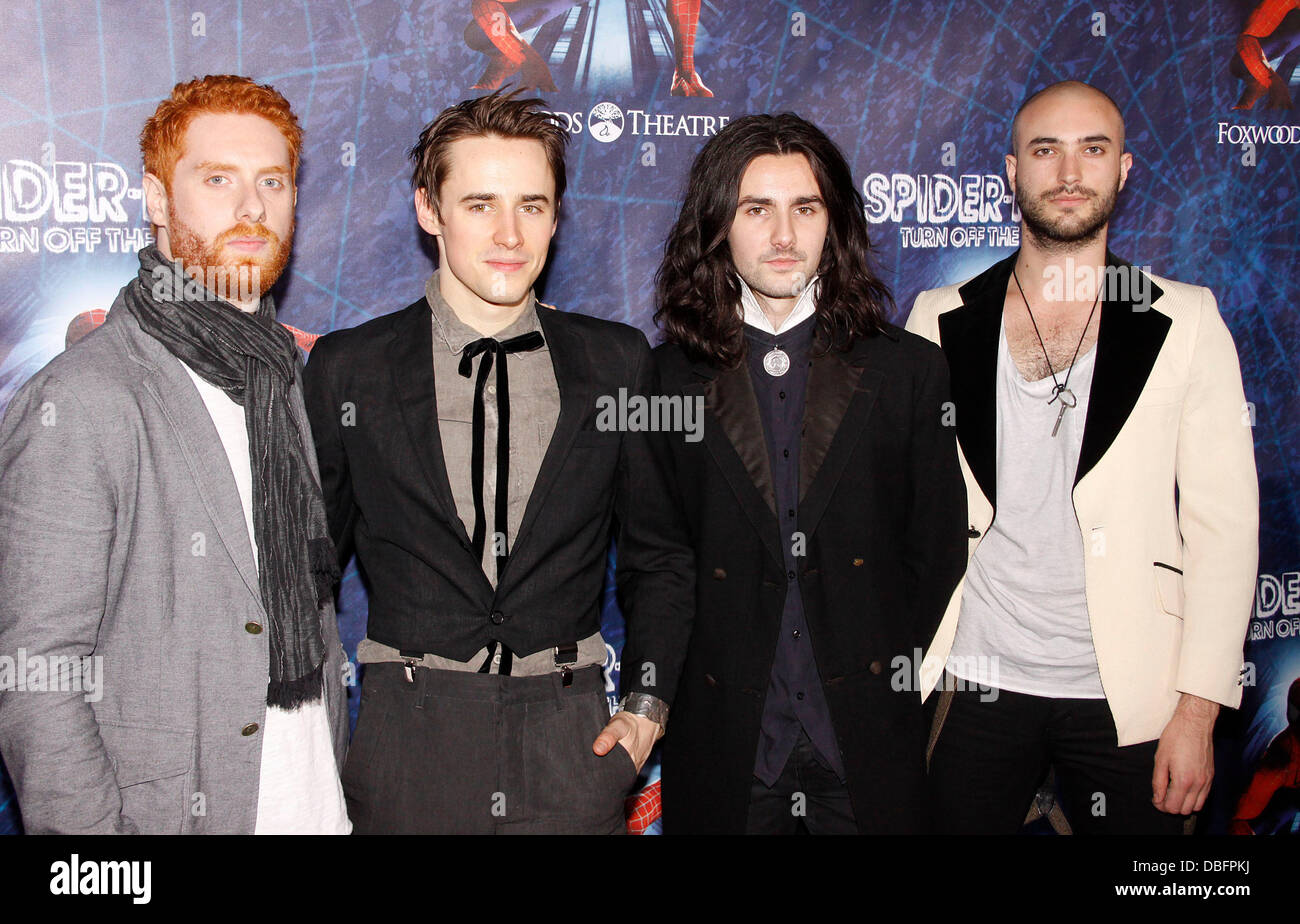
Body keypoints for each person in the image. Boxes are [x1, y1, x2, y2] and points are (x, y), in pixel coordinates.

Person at [302, 90, 693, 834]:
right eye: (480, 205)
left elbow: (661, 557)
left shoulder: (616, 361)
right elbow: (305, 569)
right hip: (407, 743)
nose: (509, 234)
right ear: (430, 209)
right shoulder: (350, 368)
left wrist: (645, 709)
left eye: (533, 205)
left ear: (555, 214)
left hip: (572, 743)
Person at [0, 75, 350, 834]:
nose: (252, 208)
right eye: (217, 179)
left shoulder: (286, 380)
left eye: (272, 181)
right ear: (158, 201)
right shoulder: (85, 399)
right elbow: (38, 677)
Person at [906, 80, 1259, 834]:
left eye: (1092, 149)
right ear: (1010, 171)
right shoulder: (938, 319)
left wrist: (1198, 711)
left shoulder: (1187, 320)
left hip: (1135, 693)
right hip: (976, 680)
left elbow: (1224, 534)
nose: (1069, 172)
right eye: (1046, 150)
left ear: (1124, 169)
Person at [652, 113, 967, 834]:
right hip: (727, 744)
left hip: (868, 744)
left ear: (837, 222)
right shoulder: (665, 379)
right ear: (717, 224)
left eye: (806, 207)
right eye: (756, 209)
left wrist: (875, 670)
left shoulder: (907, 369)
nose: (784, 236)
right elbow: (657, 554)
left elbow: (938, 545)